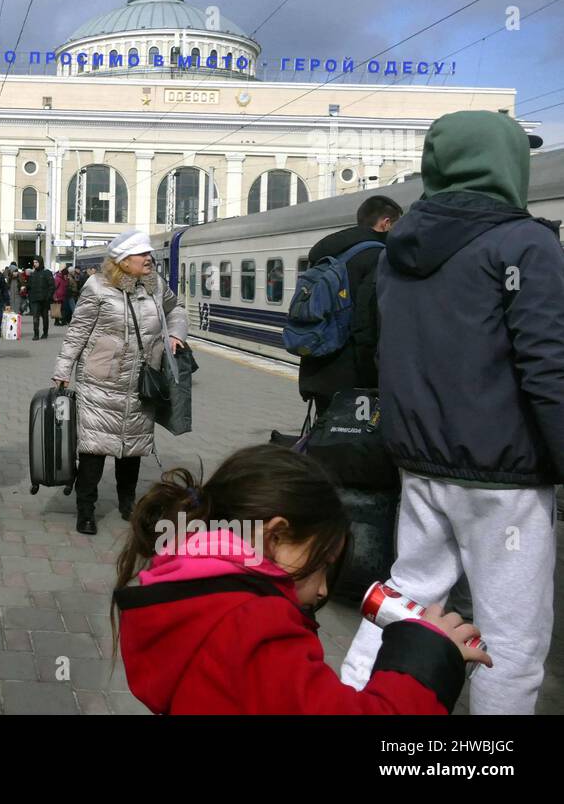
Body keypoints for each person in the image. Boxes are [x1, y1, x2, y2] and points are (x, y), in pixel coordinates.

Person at [339, 111, 564, 715]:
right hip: (504, 475)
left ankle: (349, 697)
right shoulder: (526, 242)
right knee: (511, 638)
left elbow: (382, 351)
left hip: (420, 466)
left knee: (407, 593)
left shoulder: (396, 250)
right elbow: (548, 366)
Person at [115, 444, 487, 713]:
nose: (323, 588)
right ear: (274, 537)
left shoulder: (183, 592)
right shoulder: (253, 624)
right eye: (322, 563)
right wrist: (428, 660)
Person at [53, 230, 187, 535]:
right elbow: (77, 332)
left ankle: (129, 505)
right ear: (124, 261)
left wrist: (177, 332)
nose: (150, 259)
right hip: (100, 379)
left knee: (132, 449)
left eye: (149, 254)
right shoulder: (98, 287)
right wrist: (62, 370)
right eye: (143, 255)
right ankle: (85, 511)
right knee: (93, 451)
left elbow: (176, 308)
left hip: (142, 380)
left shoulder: (156, 287)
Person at [297, 195, 403, 415]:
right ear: (386, 223)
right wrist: (373, 379)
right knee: (350, 445)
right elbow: (366, 325)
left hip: (318, 368)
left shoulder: (328, 253)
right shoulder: (378, 257)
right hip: (352, 377)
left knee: (324, 439)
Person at [28, 257, 55, 340]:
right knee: (35, 317)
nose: (34, 264)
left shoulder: (47, 273)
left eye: (36, 262)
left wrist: (48, 296)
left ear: (40, 262)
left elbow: (52, 286)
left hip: (44, 300)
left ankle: (45, 333)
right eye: (34, 262)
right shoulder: (32, 274)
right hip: (35, 299)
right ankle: (36, 334)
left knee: (44, 317)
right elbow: (30, 286)